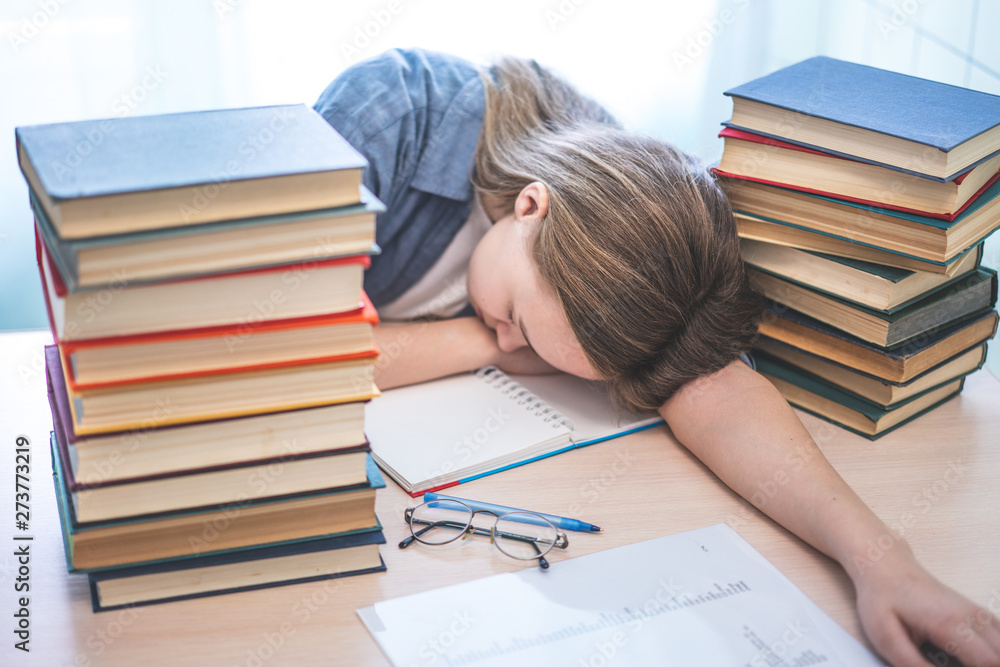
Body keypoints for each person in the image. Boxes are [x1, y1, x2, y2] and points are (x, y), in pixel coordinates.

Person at [314, 49, 1000, 666]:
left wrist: (882, 563)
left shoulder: (629, 204)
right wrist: (480, 341)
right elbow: (281, 353)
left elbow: (713, 389)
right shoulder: (386, 120)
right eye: (518, 318)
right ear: (530, 204)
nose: (512, 342)